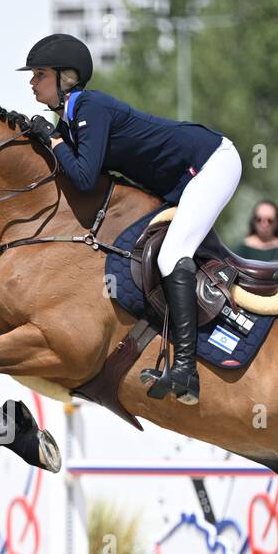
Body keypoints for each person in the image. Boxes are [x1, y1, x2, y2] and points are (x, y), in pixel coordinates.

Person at [20, 33, 239, 406]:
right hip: (181, 182)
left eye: (39, 74)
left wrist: (53, 142)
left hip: (210, 162)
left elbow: (85, 178)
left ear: (65, 77)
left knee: (171, 257)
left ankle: (186, 369)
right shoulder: (70, 120)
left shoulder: (89, 107)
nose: (31, 82)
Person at [234, 200, 278, 266]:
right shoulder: (241, 249)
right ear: (253, 221)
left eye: (270, 220)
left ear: (277, 222)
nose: (264, 224)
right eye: (259, 219)